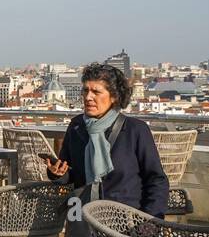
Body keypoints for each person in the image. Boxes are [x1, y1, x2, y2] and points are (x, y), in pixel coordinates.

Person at [45, 62, 168, 225]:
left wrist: (151, 222)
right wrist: (57, 173)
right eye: (86, 90)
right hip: (84, 219)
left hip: (127, 222)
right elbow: (72, 176)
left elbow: (156, 180)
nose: (88, 97)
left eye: (96, 92)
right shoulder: (77, 126)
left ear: (114, 97)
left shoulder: (134, 130)